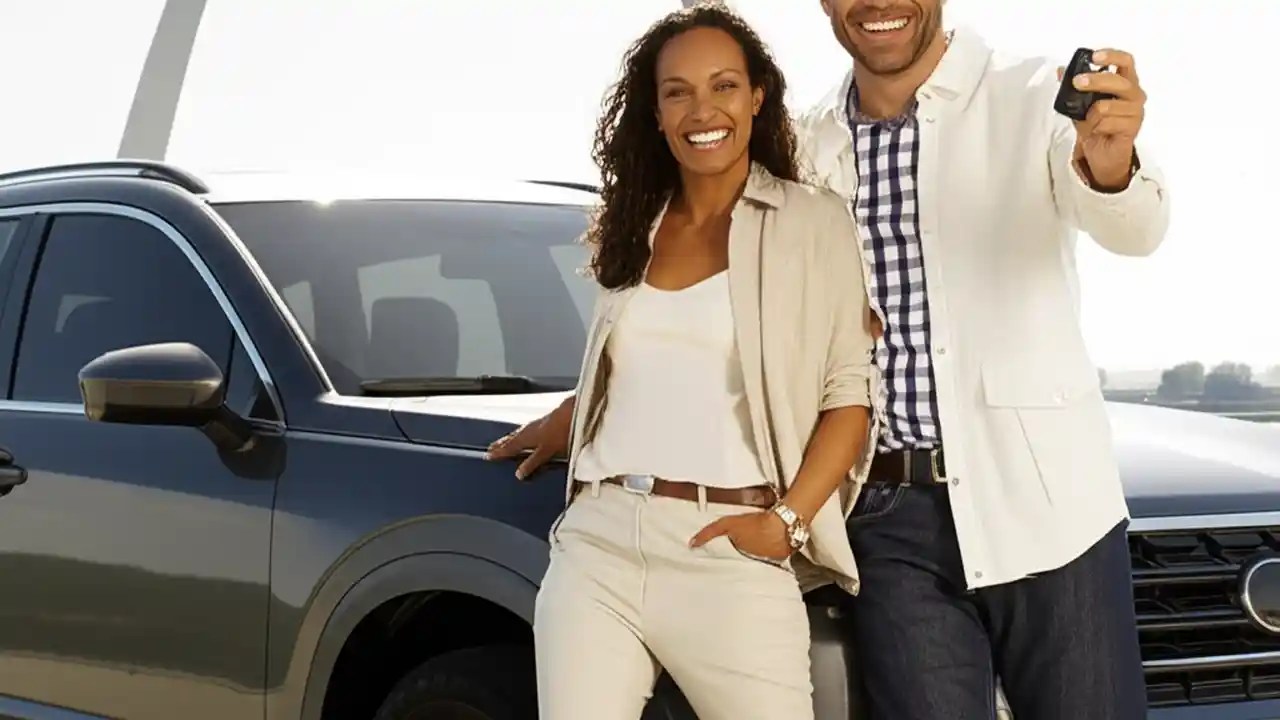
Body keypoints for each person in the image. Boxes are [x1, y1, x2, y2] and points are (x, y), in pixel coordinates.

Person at [486, 5, 878, 720]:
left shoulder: (810, 222)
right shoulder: (635, 222)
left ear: (757, 98)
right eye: (678, 92)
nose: (704, 110)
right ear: (657, 113)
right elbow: (645, 370)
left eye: (724, 86)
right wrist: (568, 416)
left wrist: (786, 524)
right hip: (600, 543)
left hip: (729, 549)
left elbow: (848, 397)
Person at [793, 1, 1169, 719]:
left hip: (1050, 507)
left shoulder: (1033, 98)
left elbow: (1135, 228)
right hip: (885, 516)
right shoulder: (810, 142)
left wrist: (1111, 164)